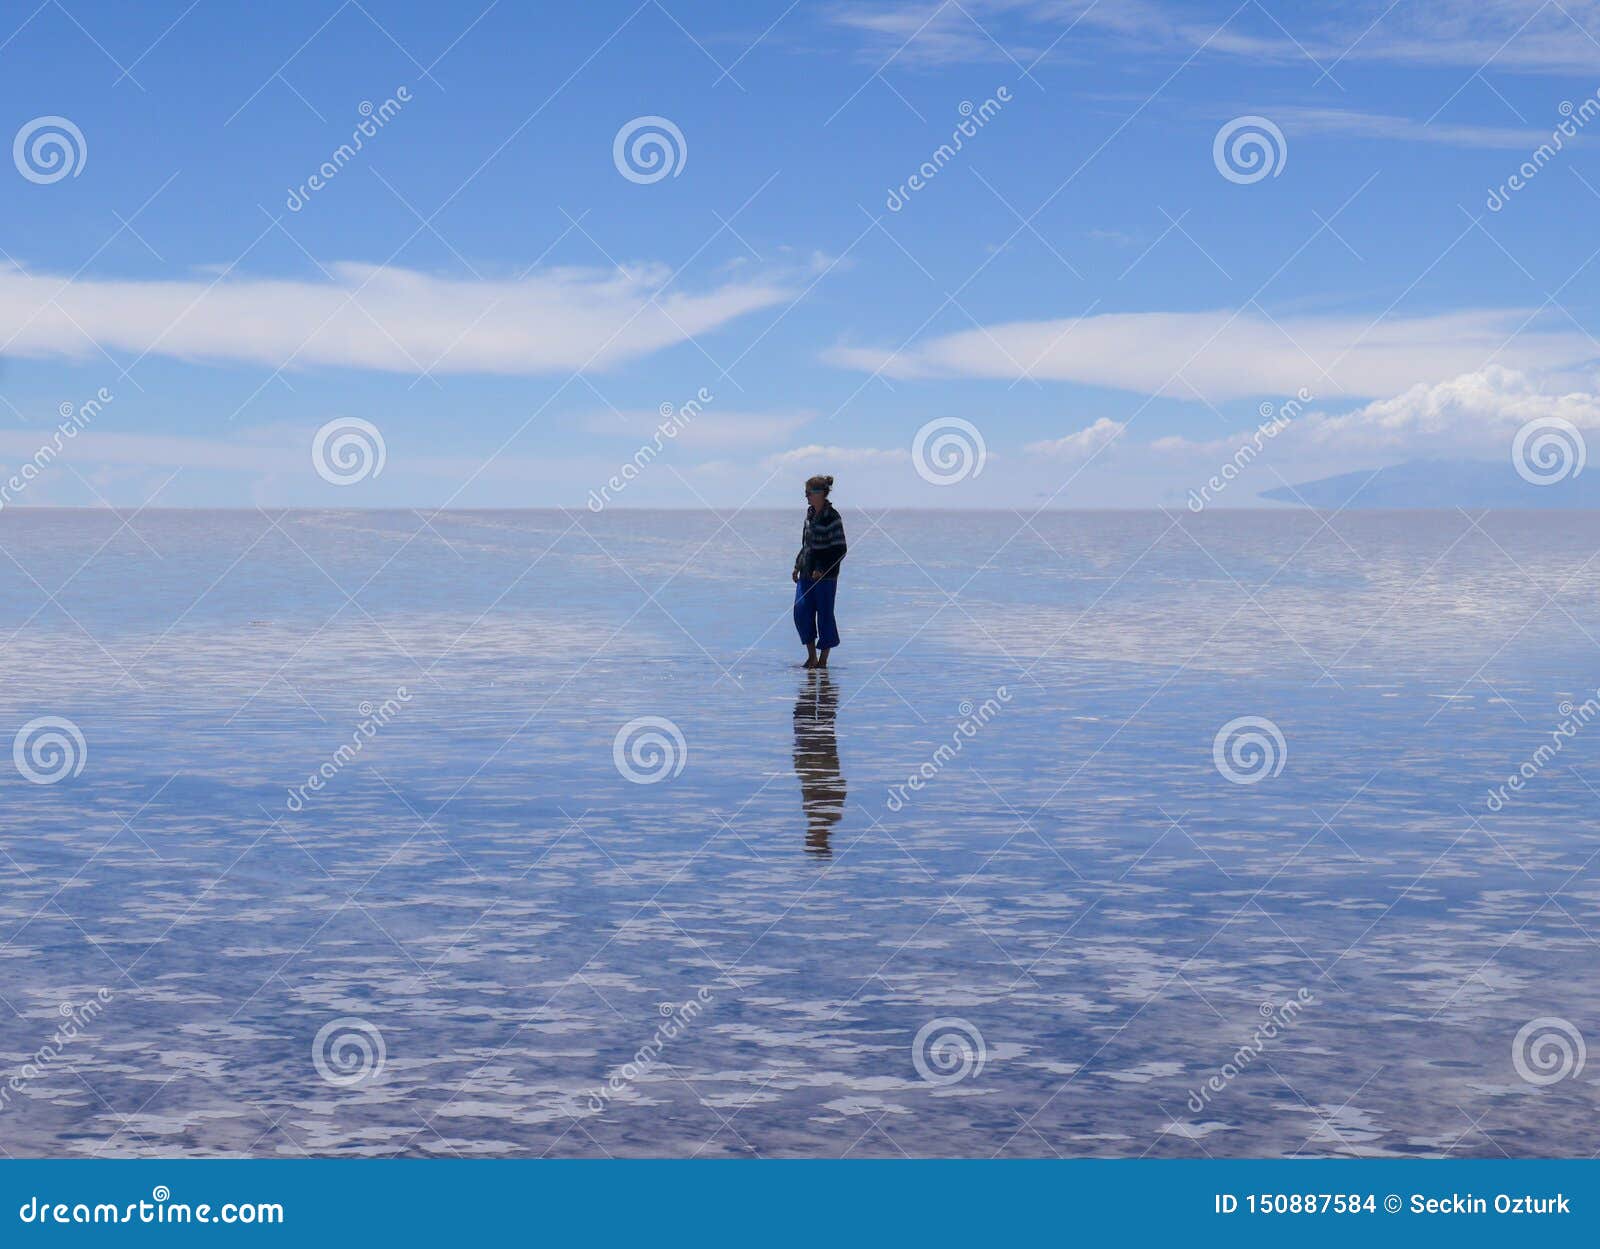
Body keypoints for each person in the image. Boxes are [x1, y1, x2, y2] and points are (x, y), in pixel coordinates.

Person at [792, 474, 846, 668]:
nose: (806, 497)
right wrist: (797, 565)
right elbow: (807, 545)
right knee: (801, 612)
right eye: (805, 493)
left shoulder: (832, 517)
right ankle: (811, 657)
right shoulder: (809, 515)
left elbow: (840, 549)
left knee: (825, 615)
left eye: (809, 493)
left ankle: (823, 660)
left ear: (821, 493)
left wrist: (822, 569)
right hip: (806, 575)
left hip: (826, 578)